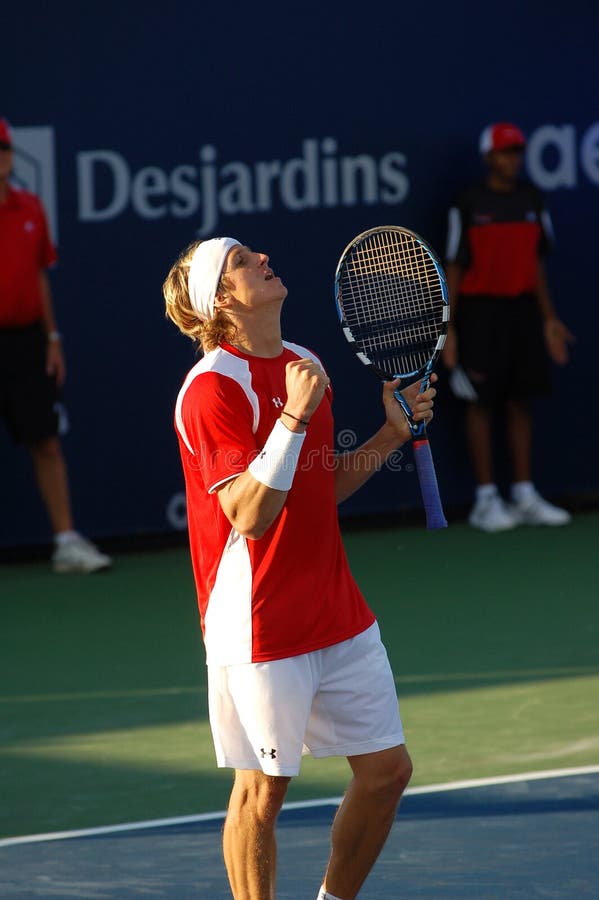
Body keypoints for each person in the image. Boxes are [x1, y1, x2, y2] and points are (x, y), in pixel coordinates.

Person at [163, 236, 437, 900]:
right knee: (262, 790)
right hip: (258, 621)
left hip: (336, 609)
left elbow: (318, 489)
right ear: (222, 298)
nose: (261, 259)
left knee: (386, 773)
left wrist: (389, 436)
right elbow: (250, 515)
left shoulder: (305, 364)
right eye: (240, 262)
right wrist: (292, 415)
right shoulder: (210, 391)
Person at [443, 121, 574, 532]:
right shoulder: (467, 204)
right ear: (488, 158)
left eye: (517, 151)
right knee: (480, 402)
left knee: (522, 401)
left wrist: (549, 318)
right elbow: (454, 268)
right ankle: (485, 499)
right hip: (480, 316)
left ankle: (523, 492)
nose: (512, 159)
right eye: (505, 152)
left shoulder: (532, 199)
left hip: (523, 315)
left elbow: (536, 265)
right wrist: (449, 328)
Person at [0, 118, 111, 571]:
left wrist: (52, 337)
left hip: (27, 342)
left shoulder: (30, 208)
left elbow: (39, 275)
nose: (1, 156)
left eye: (3, 148)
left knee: (46, 442)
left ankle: (66, 541)